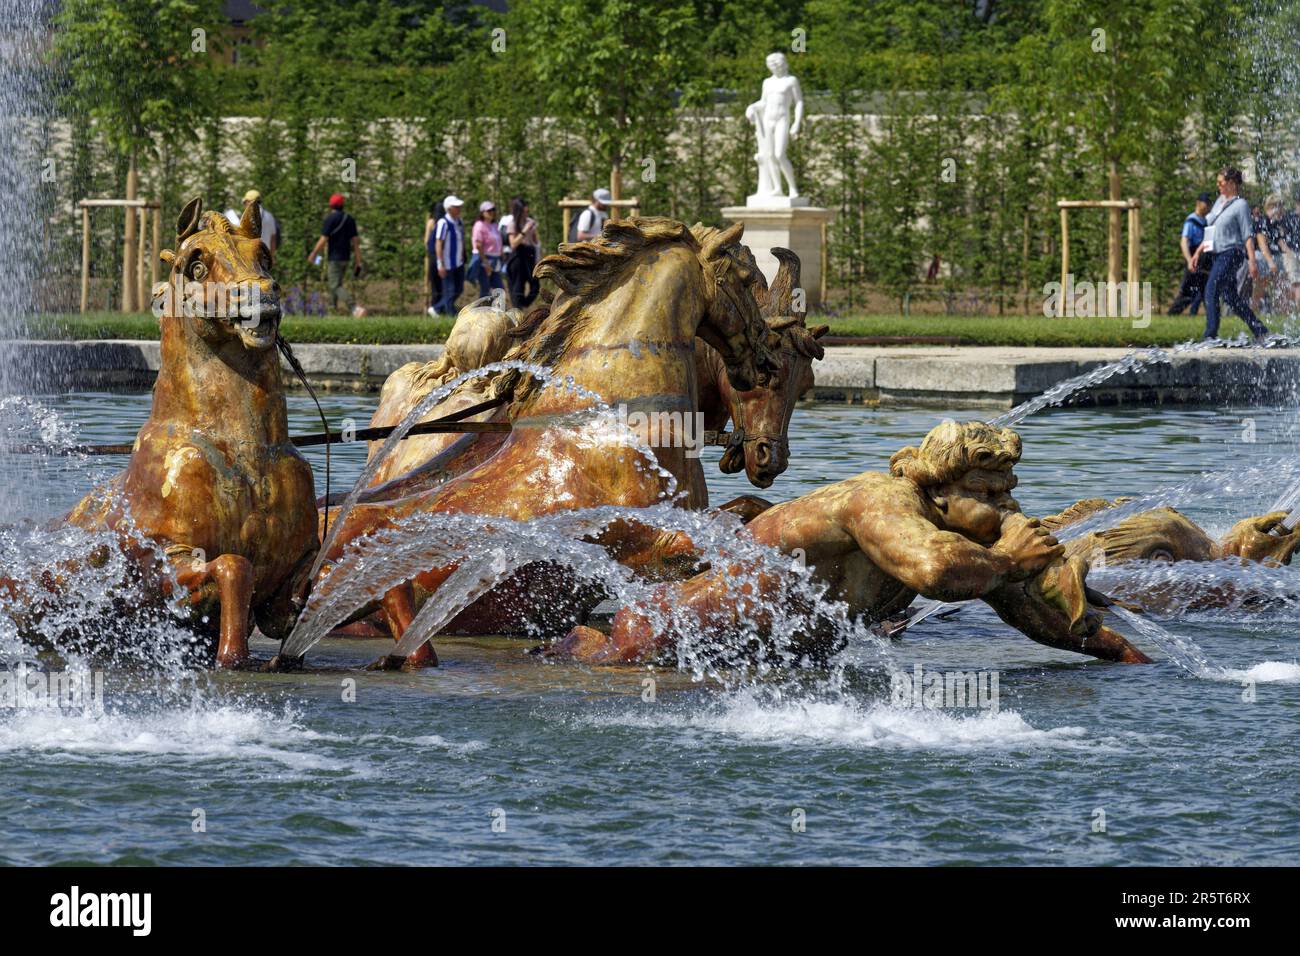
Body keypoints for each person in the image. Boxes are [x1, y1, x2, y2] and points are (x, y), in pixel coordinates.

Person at [551, 420, 1150, 666]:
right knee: (571, 670)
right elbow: (932, 569)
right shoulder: (882, 502)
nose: (1005, 506)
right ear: (939, 492)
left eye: (1007, 491)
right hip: (656, 647)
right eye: (987, 492)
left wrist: (1129, 659)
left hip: (760, 670)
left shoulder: (973, 548)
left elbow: (1037, 616)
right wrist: (1008, 559)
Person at [1191, 167, 1268, 342]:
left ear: (1232, 184)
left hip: (1232, 253)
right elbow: (1210, 230)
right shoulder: (1219, 201)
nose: (1218, 185)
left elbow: (1247, 234)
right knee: (1231, 297)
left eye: (1221, 182)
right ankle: (1260, 329)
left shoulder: (1241, 205)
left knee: (1211, 289)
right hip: (1218, 254)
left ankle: (1210, 335)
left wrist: (1252, 261)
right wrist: (1197, 252)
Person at [307, 193, 365, 317]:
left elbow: (323, 239)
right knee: (334, 284)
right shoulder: (350, 219)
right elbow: (355, 242)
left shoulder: (330, 219)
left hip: (334, 258)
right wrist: (358, 261)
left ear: (331, 205)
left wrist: (314, 253)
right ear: (343, 205)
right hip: (346, 258)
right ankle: (332, 311)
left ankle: (355, 308)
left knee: (335, 285)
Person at [1168, 191, 1212, 316]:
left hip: (1205, 260)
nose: (1208, 207)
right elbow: (1184, 242)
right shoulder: (1191, 221)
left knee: (1206, 290)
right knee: (1188, 292)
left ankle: (1212, 316)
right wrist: (1189, 260)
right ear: (1198, 203)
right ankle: (1172, 314)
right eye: (1206, 204)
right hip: (1194, 258)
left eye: (1209, 204)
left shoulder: (1206, 221)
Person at [501, 197, 541, 308]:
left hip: (529, 255)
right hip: (517, 257)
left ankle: (523, 304)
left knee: (535, 286)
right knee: (518, 287)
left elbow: (536, 241)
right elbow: (513, 244)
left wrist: (538, 255)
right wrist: (524, 231)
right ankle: (518, 310)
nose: (527, 211)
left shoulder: (530, 222)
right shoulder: (512, 224)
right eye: (524, 209)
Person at [433, 195, 466, 316]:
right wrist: (440, 263)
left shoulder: (459, 222)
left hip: (458, 262)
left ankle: (436, 309)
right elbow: (438, 243)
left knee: (459, 289)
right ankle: (449, 314)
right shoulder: (443, 223)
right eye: (456, 207)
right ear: (449, 208)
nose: (459, 209)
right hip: (447, 263)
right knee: (450, 290)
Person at [224, 189, 280, 260]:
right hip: (265, 258)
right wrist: (272, 257)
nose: (244, 205)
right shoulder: (270, 216)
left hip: (249, 259)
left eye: (244, 203)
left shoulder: (245, 218)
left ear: (249, 202)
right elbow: (273, 238)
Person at [466, 200, 505, 301]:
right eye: (489, 210)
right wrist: (486, 263)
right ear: (482, 212)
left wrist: (501, 255)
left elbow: (498, 242)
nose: (492, 212)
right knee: (485, 288)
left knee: (499, 288)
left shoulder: (494, 225)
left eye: (493, 210)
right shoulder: (479, 225)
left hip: (495, 259)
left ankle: (496, 312)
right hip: (484, 259)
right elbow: (478, 245)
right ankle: (480, 312)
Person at [424, 199, 444, 318]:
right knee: (443, 284)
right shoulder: (445, 222)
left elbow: (426, 240)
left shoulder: (431, 222)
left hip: (432, 256)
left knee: (435, 284)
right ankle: (439, 308)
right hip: (442, 256)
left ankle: (435, 306)